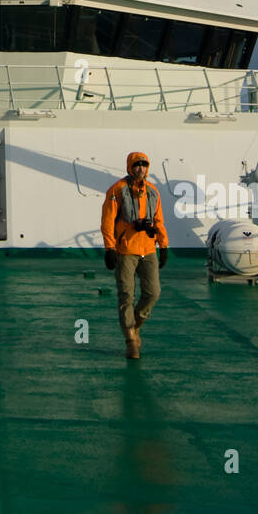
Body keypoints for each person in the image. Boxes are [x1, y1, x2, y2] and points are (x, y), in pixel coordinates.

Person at [100, 151, 169, 359]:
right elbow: (108, 221)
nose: (141, 169)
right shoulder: (117, 190)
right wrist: (109, 249)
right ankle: (130, 340)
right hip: (125, 251)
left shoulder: (153, 192)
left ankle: (135, 324)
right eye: (137, 165)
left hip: (147, 250)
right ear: (130, 167)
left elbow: (158, 221)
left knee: (153, 293)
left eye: (144, 165)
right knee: (126, 295)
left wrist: (163, 245)